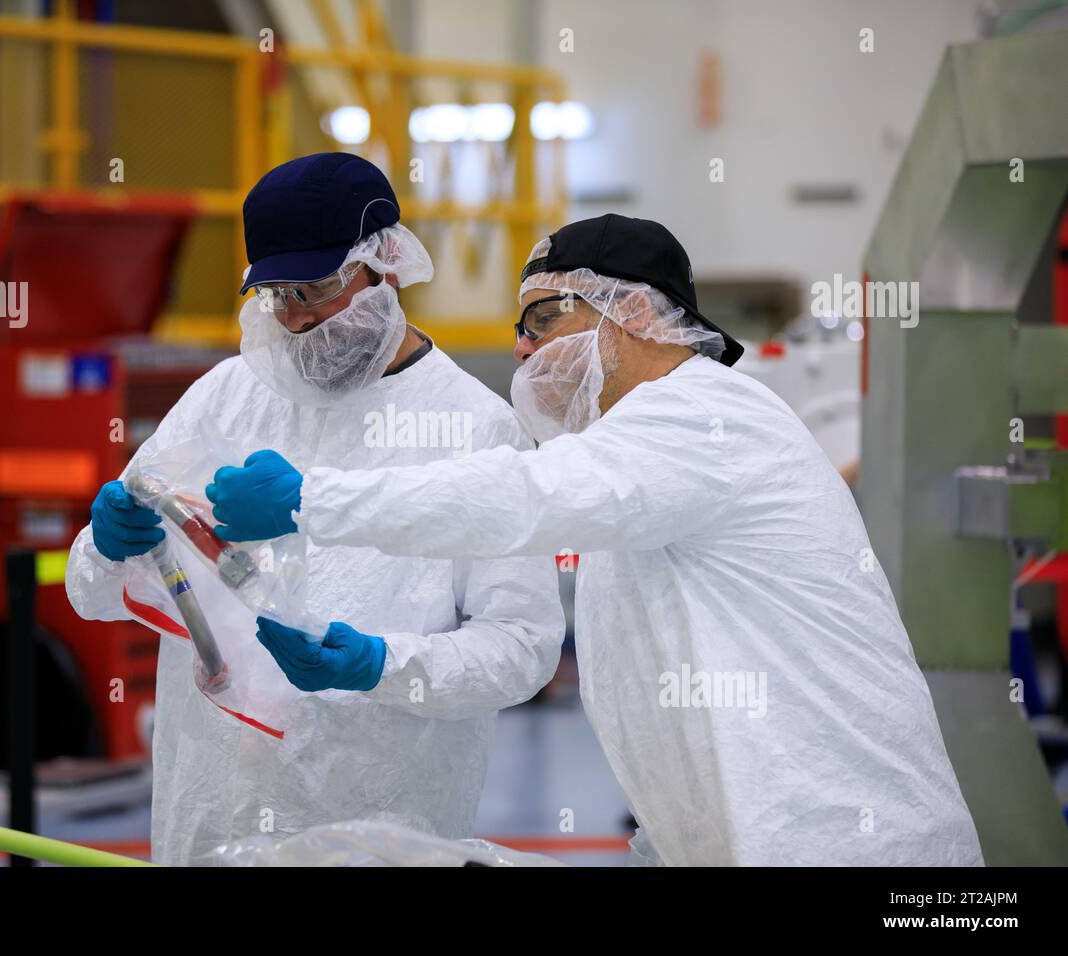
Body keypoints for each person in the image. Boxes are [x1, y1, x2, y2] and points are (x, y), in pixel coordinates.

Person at [207, 214, 985, 866]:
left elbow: (522, 493)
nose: (522, 349)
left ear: (638, 314)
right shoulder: (639, 468)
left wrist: (311, 499)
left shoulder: (705, 415)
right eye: (520, 328)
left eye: (545, 318)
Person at [66, 152, 563, 863]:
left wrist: (378, 665)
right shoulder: (225, 398)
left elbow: (521, 647)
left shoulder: (475, 428)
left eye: (318, 288)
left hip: (386, 823)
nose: (296, 317)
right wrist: (105, 548)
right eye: (278, 294)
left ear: (386, 264)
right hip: (211, 815)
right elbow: (99, 596)